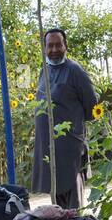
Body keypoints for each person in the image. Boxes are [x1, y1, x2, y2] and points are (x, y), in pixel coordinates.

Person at [31, 28, 98, 208]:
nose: (54, 50)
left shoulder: (75, 71)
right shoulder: (44, 71)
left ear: (65, 46)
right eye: (50, 45)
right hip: (49, 147)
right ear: (44, 48)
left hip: (70, 148)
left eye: (58, 45)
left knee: (73, 202)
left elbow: (93, 106)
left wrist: (74, 126)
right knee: (57, 204)